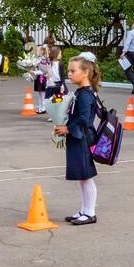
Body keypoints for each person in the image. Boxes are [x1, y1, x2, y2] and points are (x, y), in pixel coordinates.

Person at [54, 53, 100, 224]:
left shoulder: (86, 95)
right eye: (68, 71)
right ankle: (84, 210)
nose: (69, 74)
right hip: (77, 137)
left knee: (86, 176)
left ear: (86, 72)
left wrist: (67, 128)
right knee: (82, 177)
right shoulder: (82, 92)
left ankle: (90, 213)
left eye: (73, 71)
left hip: (82, 139)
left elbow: (83, 119)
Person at [32, 45, 51, 114]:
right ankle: (40, 108)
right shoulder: (39, 59)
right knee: (40, 94)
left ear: (42, 51)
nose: (37, 52)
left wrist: (34, 72)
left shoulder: (44, 59)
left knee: (43, 94)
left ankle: (43, 108)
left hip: (42, 78)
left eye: (38, 50)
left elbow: (44, 71)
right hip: (38, 78)